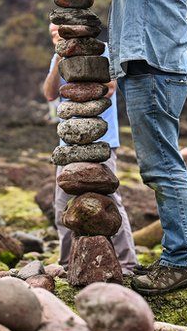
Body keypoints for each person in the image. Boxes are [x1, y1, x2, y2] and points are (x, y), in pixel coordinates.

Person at [57, 0, 187, 295]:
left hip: (155, 64)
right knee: (160, 165)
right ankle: (180, 256)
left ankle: (182, 260)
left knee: (162, 167)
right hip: (148, 63)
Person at [43, 23, 137, 274]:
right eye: (52, 32)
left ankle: (128, 263)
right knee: (62, 204)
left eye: (59, 31)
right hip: (69, 144)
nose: (55, 35)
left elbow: (110, 87)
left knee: (110, 201)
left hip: (103, 140)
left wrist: (79, 97)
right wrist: (59, 58)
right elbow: (50, 94)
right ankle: (66, 264)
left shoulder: (102, 50)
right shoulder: (58, 56)